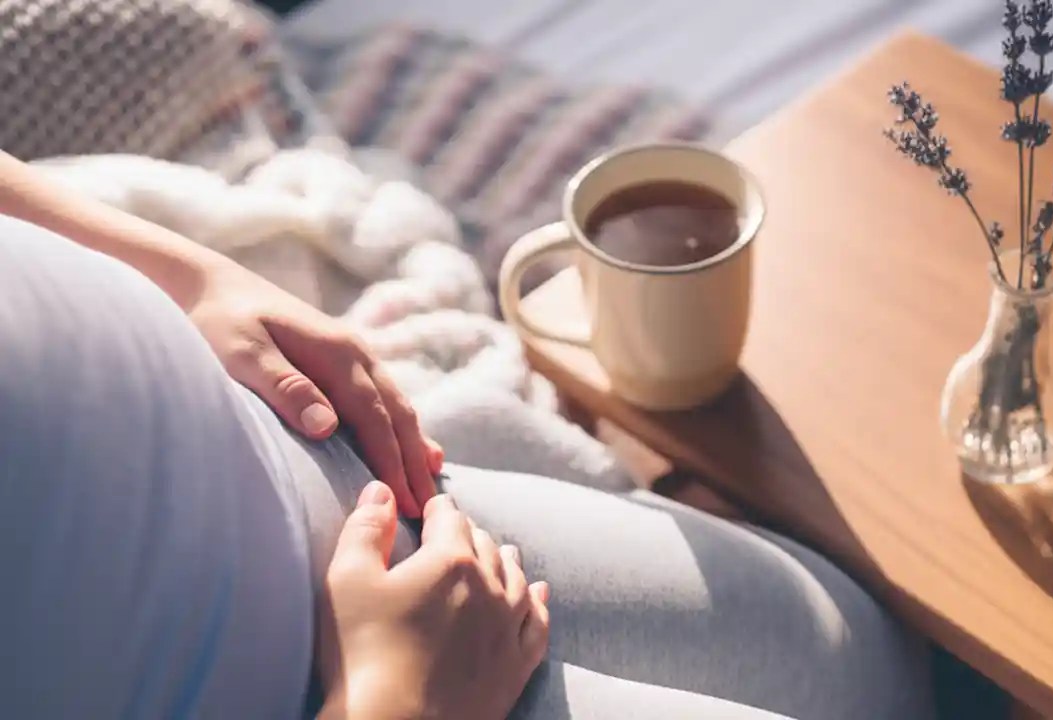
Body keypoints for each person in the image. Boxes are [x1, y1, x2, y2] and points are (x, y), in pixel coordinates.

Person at [0, 150, 932, 719]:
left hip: (343, 486)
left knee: (862, 654)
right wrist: (395, 699)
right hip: (358, 690)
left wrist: (189, 275)